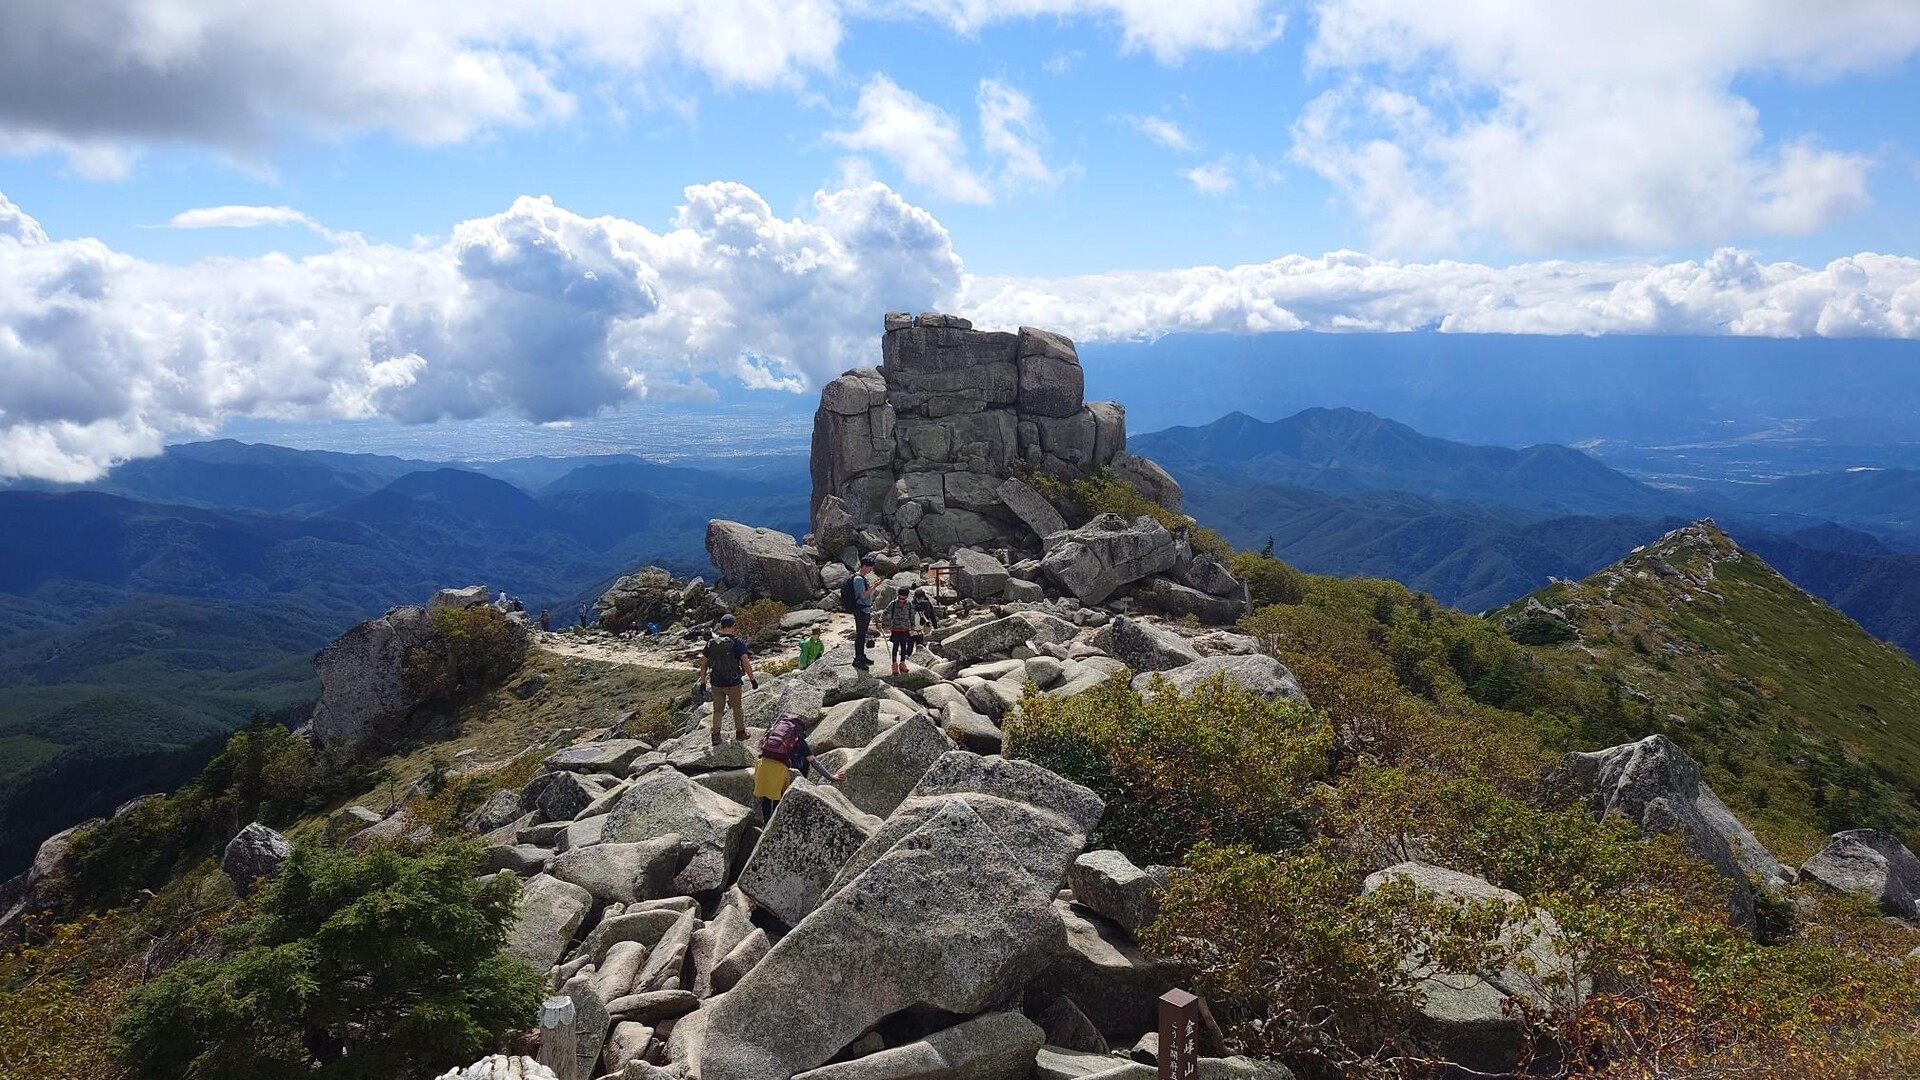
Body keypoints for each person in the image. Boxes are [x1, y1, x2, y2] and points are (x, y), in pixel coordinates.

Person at [753, 712, 843, 822]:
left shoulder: (774, 730)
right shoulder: (797, 739)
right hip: (778, 770)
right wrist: (832, 777)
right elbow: (814, 762)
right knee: (778, 797)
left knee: (766, 797)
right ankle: (774, 823)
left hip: (762, 765)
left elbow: (761, 746)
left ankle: (765, 822)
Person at [696, 613, 758, 745]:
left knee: (717, 710)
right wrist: (752, 679)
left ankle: (716, 735)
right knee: (737, 707)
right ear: (734, 626)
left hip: (716, 682)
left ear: (720, 626)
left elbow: (704, 663)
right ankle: (741, 733)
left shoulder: (712, 643)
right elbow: (745, 662)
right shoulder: (737, 642)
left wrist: (702, 682)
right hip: (733, 682)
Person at [884, 590, 921, 676]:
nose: (901, 600)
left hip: (905, 629)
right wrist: (880, 621)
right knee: (895, 646)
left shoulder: (909, 605)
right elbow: (886, 612)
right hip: (895, 628)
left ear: (907, 597)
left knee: (904, 646)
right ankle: (894, 664)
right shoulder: (893, 604)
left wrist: (912, 628)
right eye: (900, 598)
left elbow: (912, 616)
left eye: (903, 598)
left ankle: (902, 663)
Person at [848, 556, 876, 669]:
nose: (870, 570)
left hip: (864, 609)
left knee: (863, 634)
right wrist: (874, 587)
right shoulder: (858, 579)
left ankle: (861, 655)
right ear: (864, 566)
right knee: (860, 634)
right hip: (861, 610)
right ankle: (858, 659)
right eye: (869, 567)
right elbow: (863, 595)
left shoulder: (862, 578)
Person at [909, 588, 939, 659]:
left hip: (924, 626)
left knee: (921, 645)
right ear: (915, 597)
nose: (919, 600)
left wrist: (935, 627)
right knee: (910, 645)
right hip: (913, 628)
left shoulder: (927, 603)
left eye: (921, 598)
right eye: (918, 598)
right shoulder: (911, 604)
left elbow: (932, 615)